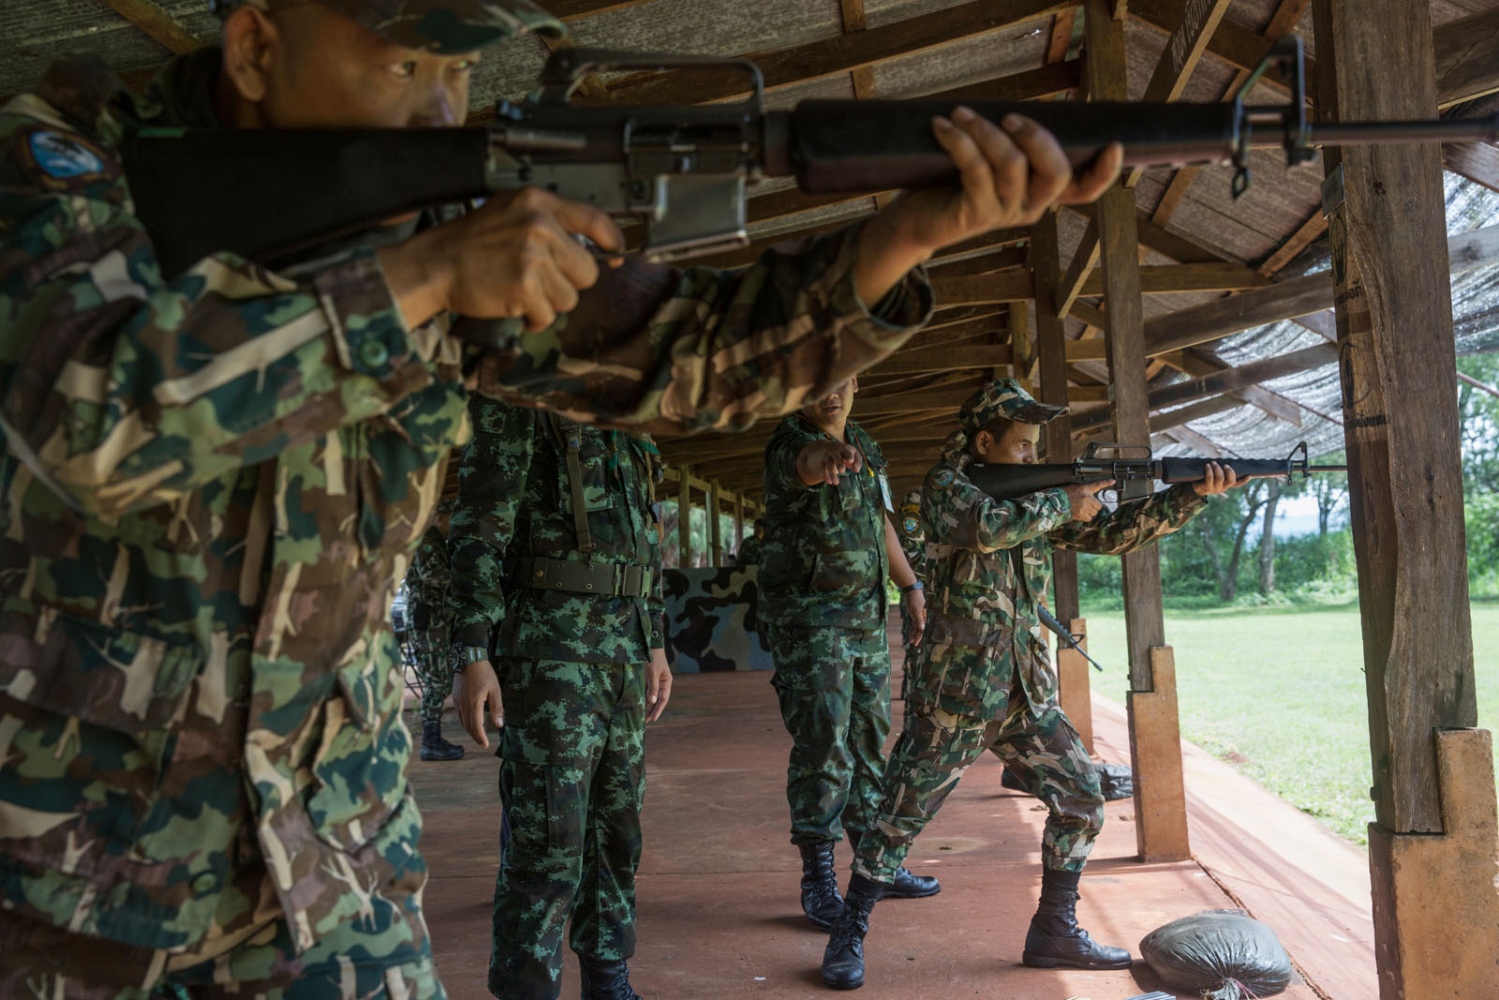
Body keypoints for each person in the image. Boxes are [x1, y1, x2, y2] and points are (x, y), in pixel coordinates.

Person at [0, 0, 1120, 989]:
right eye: (407, 67)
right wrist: (423, 278)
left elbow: (688, 361)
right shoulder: (56, 171)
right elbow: (88, 414)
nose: (448, 115)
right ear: (254, 43)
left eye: (463, 77)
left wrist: (906, 234)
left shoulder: (425, 229)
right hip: (79, 883)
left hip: (331, 858)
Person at [821, 379, 1245, 990]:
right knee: (897, 819)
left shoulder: (1037, 500)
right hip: (956, 698)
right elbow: (985, 527)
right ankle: (848, 930)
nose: (1029, 458)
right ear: (984, 440)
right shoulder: (946, 488)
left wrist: (1189, 496)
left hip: (1026, 692)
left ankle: (1054, 930)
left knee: (1081, 801)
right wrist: (1062, 499)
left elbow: (1108, 534)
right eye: (1021, 447)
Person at [446, 395, 669, 1000]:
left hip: (623, 656)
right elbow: (479, 523)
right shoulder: (523, 397)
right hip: (550, 655)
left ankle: (608, 978)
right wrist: (473, 652)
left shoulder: (629, 417)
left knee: (617, 835)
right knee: (549, 845)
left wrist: (654, 643)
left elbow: (643, 544)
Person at [759, 376, 939, 932]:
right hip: (812, 623)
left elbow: (879, 520)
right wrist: (829, 456)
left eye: (841, 379)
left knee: (867, 741)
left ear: (858, 379)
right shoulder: (788, 442)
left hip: (864, 617)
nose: (830, 391)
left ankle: (874, 868)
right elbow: (810, 462)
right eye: (817, 380)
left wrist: (909, 586)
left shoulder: (868, 443)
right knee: (824, 746)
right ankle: (818, 878)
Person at [406, 500, 466, 761]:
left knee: (441, 679)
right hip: (429, 622)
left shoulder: (439, 541)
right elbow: (433, 575)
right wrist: (463, 582)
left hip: (436, 621)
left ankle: (433, 738)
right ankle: (429, 741)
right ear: (440, 517)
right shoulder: (428, 540)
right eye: (452, 517)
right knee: (437, 681)